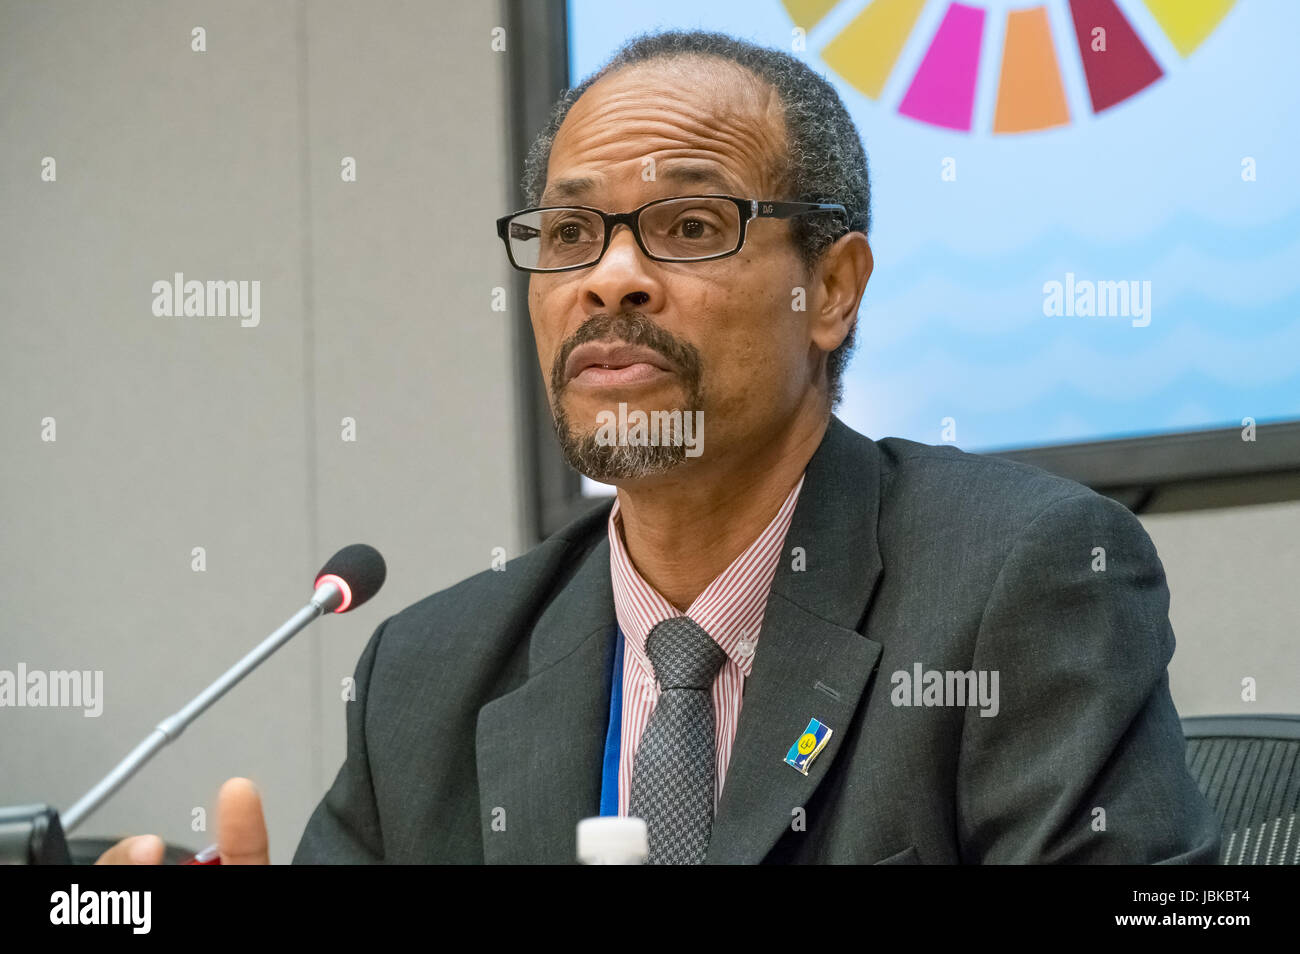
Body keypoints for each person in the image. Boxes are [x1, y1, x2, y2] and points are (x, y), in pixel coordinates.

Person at [98, 29, 1220, 866]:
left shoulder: (1022, 578)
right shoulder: (429, 675)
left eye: (689, 227)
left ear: (829, 289)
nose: (608, 276)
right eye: (570, 233)